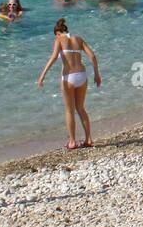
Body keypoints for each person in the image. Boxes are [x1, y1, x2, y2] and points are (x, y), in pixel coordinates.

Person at [37, 19, 101, 150]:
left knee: (69, 111)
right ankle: (88, 139)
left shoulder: (59, 40)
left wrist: (42, 75)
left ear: (57, 33)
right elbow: (93, 56)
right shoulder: (78, 39)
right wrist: (96, 74)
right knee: (81, 108)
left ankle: (72, 142)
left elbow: (54, 57)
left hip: (68, 78)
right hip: (82, 76)